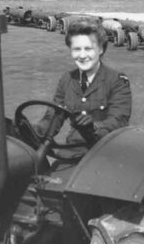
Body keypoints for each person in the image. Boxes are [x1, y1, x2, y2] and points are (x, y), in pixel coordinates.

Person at [42, 16, 132, 147]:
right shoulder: (67, 79)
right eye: (77, 49)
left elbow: (119, 120)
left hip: (106, 151)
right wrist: (34, 129)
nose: (82, 56)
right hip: (74, 149)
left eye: (88, 49)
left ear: (101, 49)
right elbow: (53, 116)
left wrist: (95, 126)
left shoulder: (117, 81)